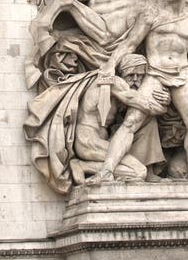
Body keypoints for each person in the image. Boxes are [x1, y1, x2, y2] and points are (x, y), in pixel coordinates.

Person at [88, 0, 188, 185]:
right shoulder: (151, 15)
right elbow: (130, 44)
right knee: (131, 121)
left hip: (182, 76)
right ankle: (106, 171)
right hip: (155, 74)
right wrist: (110, 64)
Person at [73, 52, 170, 182]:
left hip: (102, 141)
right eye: (131, 75)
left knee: (147, 121)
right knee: (139, 172)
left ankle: (148, 168)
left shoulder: (118, 94)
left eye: (140, 76)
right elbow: (146, 105)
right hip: (87, 141)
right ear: (121, 74)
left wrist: (166, 98)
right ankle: (83, 166)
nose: (135, 79)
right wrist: (165, 106)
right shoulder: (114, 82)